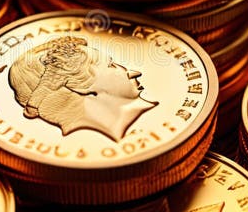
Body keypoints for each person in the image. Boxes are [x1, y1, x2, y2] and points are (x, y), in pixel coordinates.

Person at [9, 35, 156, 142]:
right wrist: (34, 103)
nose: (134, 72)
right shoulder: (54, 78)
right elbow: (48, 84)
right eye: (111, 65)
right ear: (83, 89)